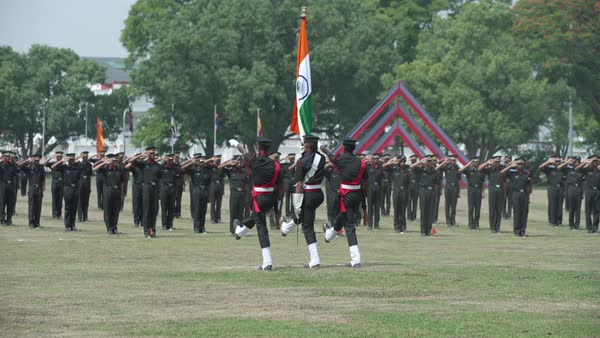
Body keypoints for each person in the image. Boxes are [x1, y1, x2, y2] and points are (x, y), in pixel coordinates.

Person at [231, 136, 283, 271]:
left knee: (261, 227)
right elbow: (279, 187)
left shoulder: (255, 160)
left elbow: (243, 152)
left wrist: (236, 144)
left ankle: (267, 262)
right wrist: (278, 207)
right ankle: (240, 231)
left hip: (259, 197)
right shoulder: (276, 165)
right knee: (257, 218)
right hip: (270, 198)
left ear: (259, 147)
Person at [280, 135, 325, 269]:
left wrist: (297, 204)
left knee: (307, 226)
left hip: (308, 194)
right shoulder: (321, 158)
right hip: (318, 194)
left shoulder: (301, 162)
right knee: (304, 217)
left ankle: (315, 259)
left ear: (305, 145)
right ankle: (286, 228)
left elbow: (299, 185)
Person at [320, 138, 366, 268]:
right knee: (342, 216)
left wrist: (324, 149)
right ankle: (329, 234)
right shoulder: (361, 163)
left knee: (349, 225)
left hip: (346, 195)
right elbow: (365, 182)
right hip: (357, 194)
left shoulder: (341, 160)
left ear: (344, 148)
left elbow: (331, 157)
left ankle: (356, 259)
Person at [126, 147, 162, 238]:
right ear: (147, 154)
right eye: (150, 153)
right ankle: (146, 231)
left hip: (155, 188)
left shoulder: (158, 165)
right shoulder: (143, 164)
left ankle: (152, 230)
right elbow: (131, 161)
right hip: (146, 187)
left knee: (154, 210)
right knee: (146, 210)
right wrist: (141, 155)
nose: (152, 155)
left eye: (153, 153)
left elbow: (160, 177)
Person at [93, 154, 125, 234]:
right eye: (112, 161)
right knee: (108, 210)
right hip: (108, 190)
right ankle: (109, 227)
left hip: (117, 191)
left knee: (115, 210)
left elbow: (122, 182)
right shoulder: (105, 169)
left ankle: (114, 227)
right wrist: (104, 162)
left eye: (115, 161)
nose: (114, 162)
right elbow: (95, 169)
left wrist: (122, 193)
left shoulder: (119, 169)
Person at [182, 154, 213, 234]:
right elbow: (182, 168)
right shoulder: (194, 170)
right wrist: (191, 161)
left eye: (203, 161)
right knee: (197, 210)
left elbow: (209, 183)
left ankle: (202, 227)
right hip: (197, 191)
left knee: (203, 210)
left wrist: (209, 195)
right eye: (200, 161)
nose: (202, 163)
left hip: (205, 191)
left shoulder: (207, 171)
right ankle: (196, 227)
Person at [501, 157, 531, 237]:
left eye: (521, 164)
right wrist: (510, 166)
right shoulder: (512, 172)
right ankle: (516, 231)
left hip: (524, 194)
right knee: (517, 213)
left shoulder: (527, 173)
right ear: (516, 164)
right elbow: (501, 173)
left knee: (524, 213)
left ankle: (523, 231)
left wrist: (528, 197)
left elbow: (529, 185)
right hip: (515, 194)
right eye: (518, 164)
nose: (520, 165)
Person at [51, 153, 81, 231]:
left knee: (74, 208)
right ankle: (67, 226)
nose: (72, 161)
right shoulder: (64, 167)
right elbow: (53, 167)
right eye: (70, 159)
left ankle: (73, 225)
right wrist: (61, 161)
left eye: (73, 159)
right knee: (68, 208)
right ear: (68, 160)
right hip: (67, 189)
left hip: (76, 189)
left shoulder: (77, 167)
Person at [411, 155, 437, 236]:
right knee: (424, 211)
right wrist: (420, 162)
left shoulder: (433, 171)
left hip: (431, 191)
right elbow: (411, 167)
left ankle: (428, 230)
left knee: (430, 211)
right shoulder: (420, 170)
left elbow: (436, 183)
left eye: (430, 161)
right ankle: (423, 230)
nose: (429, 163)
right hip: (423, 190)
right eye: (428, 161)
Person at [219, 155, 246, 236]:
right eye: (238, 161)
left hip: (242, 193)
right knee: (233, 212)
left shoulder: (244, 171)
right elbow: (219, 167)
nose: (239, 163)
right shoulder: (231, 171)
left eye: (240, 161)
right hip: (234, 193)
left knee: (241, 213)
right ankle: (232, 230)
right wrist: (229, 163)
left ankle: (240, 229)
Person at [17, 154, 45, 229]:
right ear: (33, 160)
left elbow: (43, 178)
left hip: (39, 188)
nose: (37, 161)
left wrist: (43, 188)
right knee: (32, 206)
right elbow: (19, 166)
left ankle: (37, 223)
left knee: (38, 206)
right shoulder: (29, 168)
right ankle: (31, 223)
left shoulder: (41, 167)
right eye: (35, 160)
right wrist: (27, 161)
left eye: (38, 160)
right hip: (32, 188)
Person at [383, 155, 410, 233]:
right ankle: (396, 226)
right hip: (396, 191)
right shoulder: (394, 169)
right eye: (401, 161)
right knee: (396, 210)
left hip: (404, 191)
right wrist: (393, 161)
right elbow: (384, 165)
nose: (402, 163)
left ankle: (403, 226)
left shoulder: (407, 170)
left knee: (403, 210)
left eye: (404, 161)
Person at [479, 156, 505, 233]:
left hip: (500, 190)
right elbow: (479, 168)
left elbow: (508, 168)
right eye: (496, 162)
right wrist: (487, 162)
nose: (497, 163)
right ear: (493, 162)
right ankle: (492, 227)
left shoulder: (502, 168)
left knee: (499, 210)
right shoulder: (490, 169)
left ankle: (498, 227)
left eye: (498, 162)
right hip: (492, 190)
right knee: (492, 209)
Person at [576, 155, 600, 233]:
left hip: (598, 191)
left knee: (597, 210)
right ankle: (589, 227)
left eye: (597, 161)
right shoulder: (587, 170)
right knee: (588, 210)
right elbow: (577, 169)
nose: (595, 163)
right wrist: (586, 162)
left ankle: (595, 227)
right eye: (594, 161)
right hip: (589, 191)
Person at [539, 155, 564, 227]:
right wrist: (548, 161)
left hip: (560, 187)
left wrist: (564, 162)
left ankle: (559, 221)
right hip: (552, 187)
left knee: (559, 204)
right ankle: (552, 221)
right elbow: (540, 167)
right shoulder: (549, 168)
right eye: (556, 161)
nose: (557, 162)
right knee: (552, 204)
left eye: (558, 161)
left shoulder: (563, 168)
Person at [559, 156, 583, 230]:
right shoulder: (568, 169)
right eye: (575, 161)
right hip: (571, 188)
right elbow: (559, 168)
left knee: (578, 209)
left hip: (579, 188)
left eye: (578, 161)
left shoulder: (582, 170)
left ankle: (577, 225)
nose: (576, 163)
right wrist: (567, 161)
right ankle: (571, 224)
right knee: (571, 208)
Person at [460, 158, 484, 229]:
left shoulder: (481, 171)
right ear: (472, 163)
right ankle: (470, 224)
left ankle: (476, 224)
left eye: (477, 162)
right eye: (474, 162)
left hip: (478, 191)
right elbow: (460, 170)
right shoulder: (468, 170)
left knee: (478, 208)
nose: (476, 163)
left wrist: (483, 193)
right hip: (471, 191)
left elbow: (482, 183)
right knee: (471, 208)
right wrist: (468, 164)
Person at [437, 155, 460, 227]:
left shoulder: (457, 168)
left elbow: (458, 180)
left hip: (455, 187)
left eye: (454, 160)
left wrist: (458, 191)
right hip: (448, 187)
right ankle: (448, 221)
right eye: (451, 160)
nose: (453, 162)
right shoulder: (446, 167)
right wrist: (445, 160)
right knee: (447, 205)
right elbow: (438, 164)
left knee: (453, 206)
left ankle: (453, 221)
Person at [159, 153, 180, 231]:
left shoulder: (175, 168)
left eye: (171, 159)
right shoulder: (162, 167)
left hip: (172, 188)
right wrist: (162, 160)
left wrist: (176, 190)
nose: (170, 161)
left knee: (171, 207)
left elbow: (177, 178)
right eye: (169, 159)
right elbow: (157, 170)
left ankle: (170, 224)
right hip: (164, 187)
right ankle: (164, 224)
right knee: (164, 207)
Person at [0, 151, 18, 226]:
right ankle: (2, 220)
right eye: (6, 156)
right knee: (2, 204)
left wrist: (14, 163)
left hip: (11, 186)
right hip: (3, 185)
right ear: (3, 157)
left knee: (10, 204)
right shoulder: (1, 165)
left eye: (9, 156)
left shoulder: (12, 165)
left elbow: (16, 172)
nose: (8, 157)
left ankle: (9, 220)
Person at [126, 153, 144, 227]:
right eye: (139, 159)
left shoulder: (145, 166)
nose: (141, 160)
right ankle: (136, 221)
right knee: (136, 204)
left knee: (144, 204)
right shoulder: (134, 167)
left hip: (144, 186)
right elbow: (126, 166)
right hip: (137, 186)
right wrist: (137, 157)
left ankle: (143, 221)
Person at [365, 154, 383, 230]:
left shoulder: (380, 168)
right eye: (374, 159)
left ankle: (377, 224)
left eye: (376, 159)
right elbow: (361, 163)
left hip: (378, 189)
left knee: (377, 207)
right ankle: (369, 224)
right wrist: (367, 160)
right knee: (370, 207)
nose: (375, 160)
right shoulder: (368, 167)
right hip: (370, 189)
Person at [46, 151, 64, 219]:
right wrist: (50, 158)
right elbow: (44, 164)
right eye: (58, 156)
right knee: (54, 199)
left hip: (61, 182)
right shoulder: (53, 163)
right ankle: (54, 214)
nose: (59, 158)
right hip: (55, 181)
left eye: (60, 156)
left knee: (60, 199)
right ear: (56, 157)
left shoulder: (64, 165)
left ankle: (59, 214)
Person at [77, 151, 93, 222]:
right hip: (80, 183)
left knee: (86, 201)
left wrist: (89, 186)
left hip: (87, 183)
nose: (85, 158)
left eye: (86, 156)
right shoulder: (78, 164)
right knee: (80, 201)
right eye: (84, 156)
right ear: (81, 157)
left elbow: (90, 175)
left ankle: (85, 216)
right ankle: (79, 216)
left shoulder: (89, 165)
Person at [210, 155, 224, 224]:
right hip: (213, 185)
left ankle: (218, 218)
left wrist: (223, 190)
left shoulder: (221, 168)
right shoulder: (211, 167)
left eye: (219, 160)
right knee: (212, 203)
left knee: (219, 204)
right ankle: (212, 218)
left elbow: (222, 180)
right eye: (217, 160)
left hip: (219, 185)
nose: (218, 161)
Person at [282, 153, 296, 217]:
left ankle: (292, 212)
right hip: (286, 182)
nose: (292, 159)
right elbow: (275, 163)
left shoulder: (296, 164)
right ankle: (287, 213)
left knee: (293, 198)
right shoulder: (284, 165)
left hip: (293, 182)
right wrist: (283, 158)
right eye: (291, 158)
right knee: (287, 198)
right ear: (288, 158)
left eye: (293, 158)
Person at [407, 154, 419, 221]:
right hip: (409, 185)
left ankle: (414, 215)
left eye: (415, 159)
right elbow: (411, 166)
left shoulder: (418, 166)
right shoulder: (408, 166)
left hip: (416, 185)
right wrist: (409, 160)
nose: (413, 160)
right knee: (408, 201)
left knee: (415, 201)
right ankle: (408, 215)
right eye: (412, 159)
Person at [174, 153, 184, 219]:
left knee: (179, 199)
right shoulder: (173, 165)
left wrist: (184, 184)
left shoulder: (179, 165)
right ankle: (173, 212)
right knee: (173, 198)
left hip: (179, 183)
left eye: (178, 157)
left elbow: (183, 174)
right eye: (176, 157)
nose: (177, 158)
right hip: (174, 183)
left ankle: (178, 213)